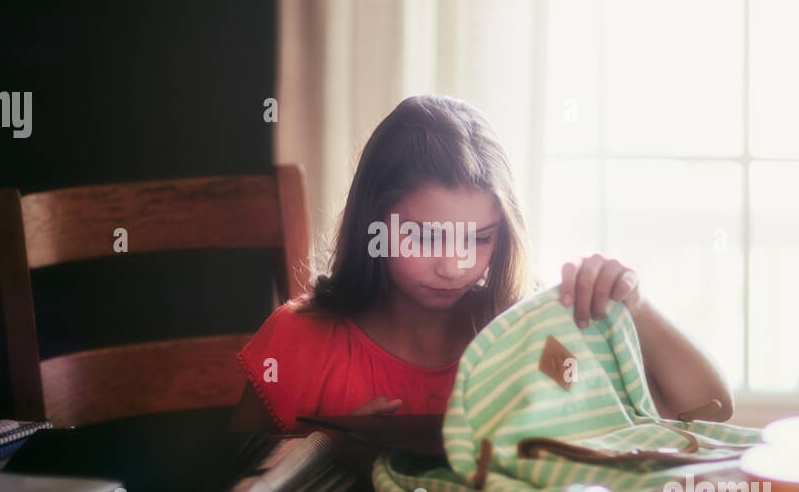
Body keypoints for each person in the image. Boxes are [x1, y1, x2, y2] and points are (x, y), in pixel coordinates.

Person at [230, 94, 733, 434]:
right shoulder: (300, 342)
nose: (454, 264)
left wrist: (636, 306)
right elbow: (237, 485)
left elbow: (707, 408)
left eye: (480, 238)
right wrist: (329, 449)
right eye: (426, 236)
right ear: (373, 224)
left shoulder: (529, 339)